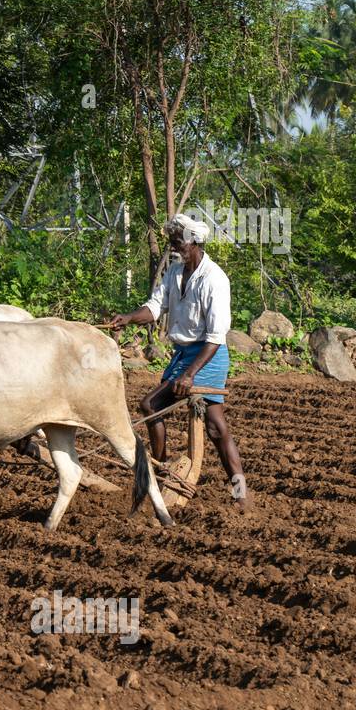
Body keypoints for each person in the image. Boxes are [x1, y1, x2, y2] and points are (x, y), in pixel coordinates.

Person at [108, 213, 249, 509]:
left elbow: (215, 336)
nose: (174, 246)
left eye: (178, 241)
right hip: (184, 353)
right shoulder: (174, 272)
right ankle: (157, 478)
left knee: (214, 426)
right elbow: (156, 307)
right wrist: (130, 318)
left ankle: (240, 492)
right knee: (152, 407)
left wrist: (189, 375)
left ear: (195, 242)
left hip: (208, 354)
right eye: (172, 241)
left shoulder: (215, 279)